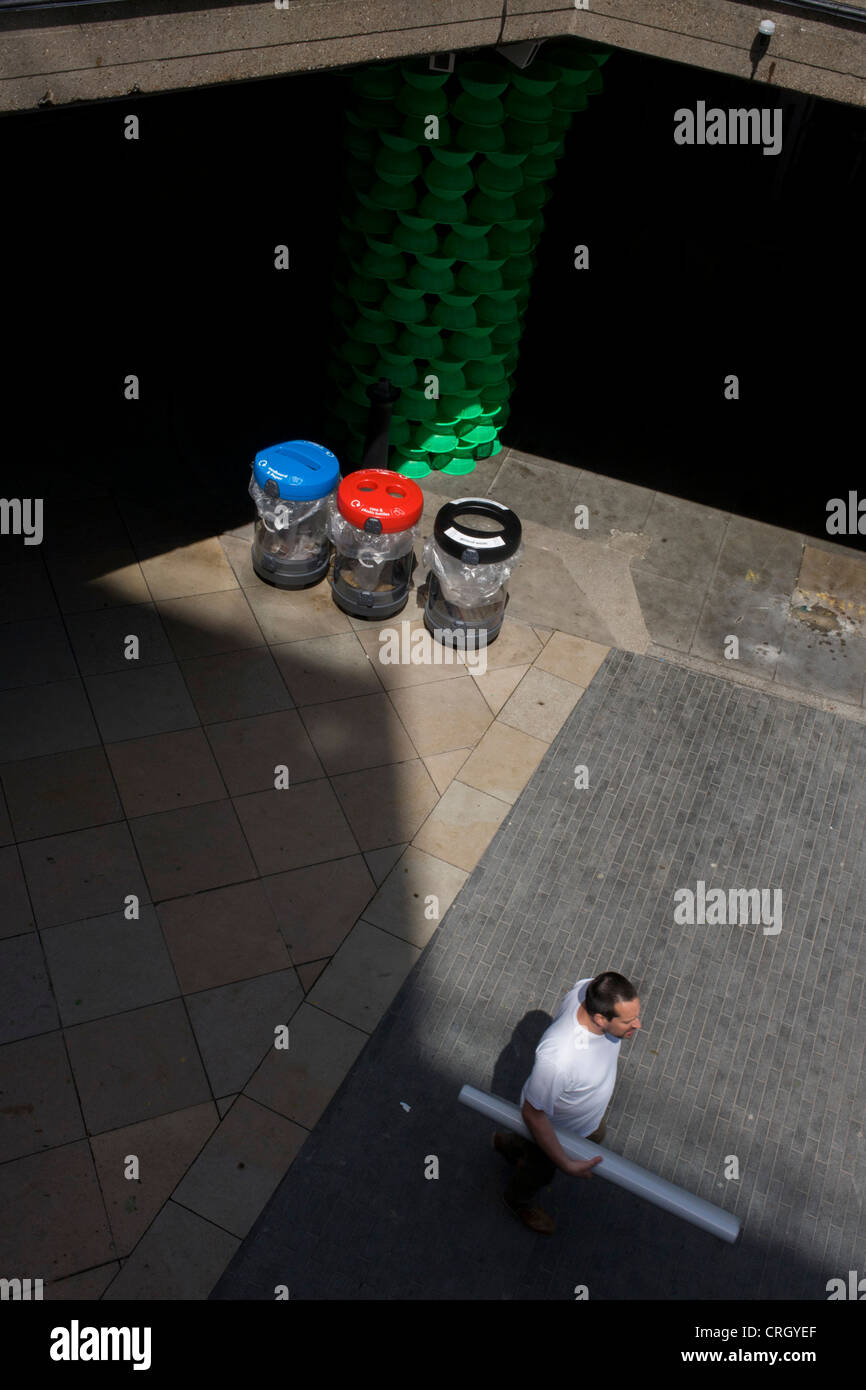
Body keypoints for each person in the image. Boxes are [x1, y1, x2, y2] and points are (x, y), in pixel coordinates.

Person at [494, 971, 641, 1234]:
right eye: (629, 1021)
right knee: (538, 1170)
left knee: (594, 1134)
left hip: (584, 1118)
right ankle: (518, 1200)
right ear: (599, 1018)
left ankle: (510, 1144)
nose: (638, 1025)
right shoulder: (558, 1059)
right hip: (557, 1130)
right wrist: (564, 1162)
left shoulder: (587, 989)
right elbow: (533, 1113)